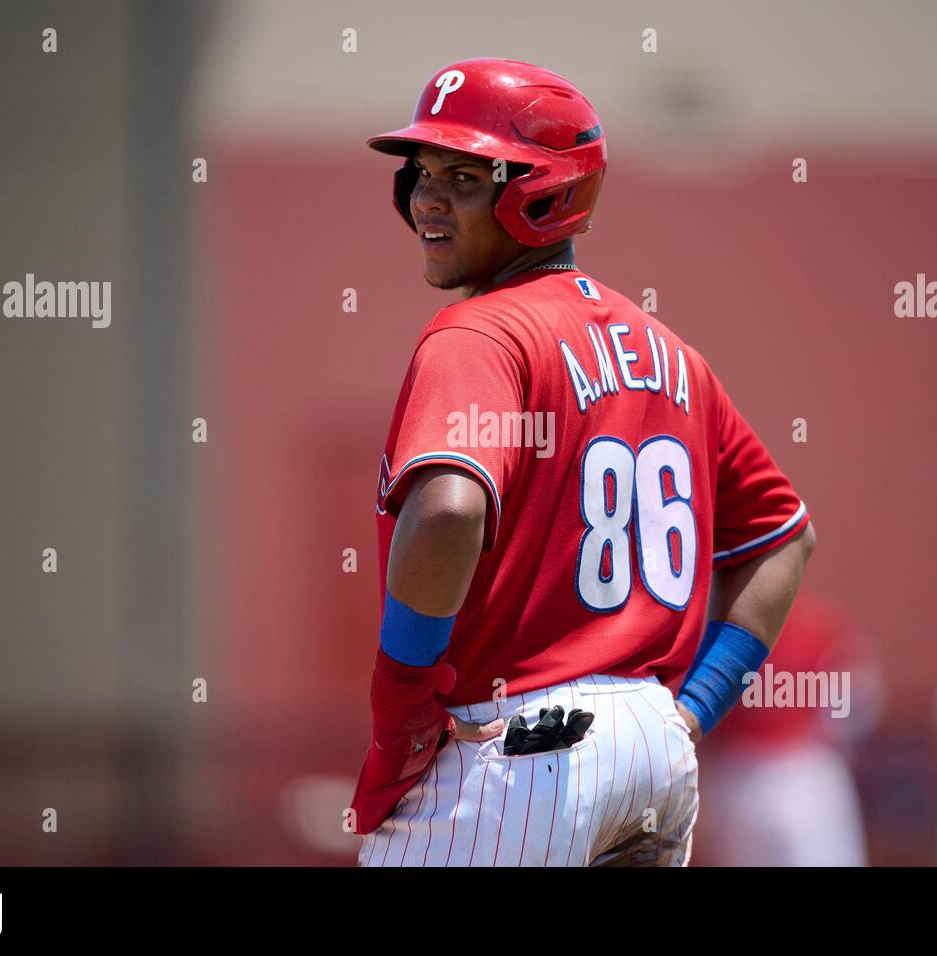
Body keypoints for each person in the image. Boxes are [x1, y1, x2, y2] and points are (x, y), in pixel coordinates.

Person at [349, 58, 815, 867]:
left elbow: (451, 511)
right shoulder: (673, 355)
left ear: (542, 193)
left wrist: (400, 704)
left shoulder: (479, 335)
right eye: (421, 173)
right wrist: (696, 705)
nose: (426, 197)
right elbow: (784, 538)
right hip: (651, 747)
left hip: (515, 754)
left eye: (464, 176)